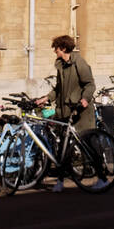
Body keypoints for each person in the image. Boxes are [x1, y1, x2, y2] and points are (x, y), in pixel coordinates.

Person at [37, 34, 97, 190]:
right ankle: (61, 181)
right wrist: (46, 98)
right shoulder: (61, 66)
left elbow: (90, 84)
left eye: (56, 49)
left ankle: (102, 177)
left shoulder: (79, 62)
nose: (54, 52)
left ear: (63, 48)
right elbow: (58, 89)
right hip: (65, 111)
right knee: (62, 148)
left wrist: (85, 99)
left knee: (87, 146)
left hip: (81, 111)